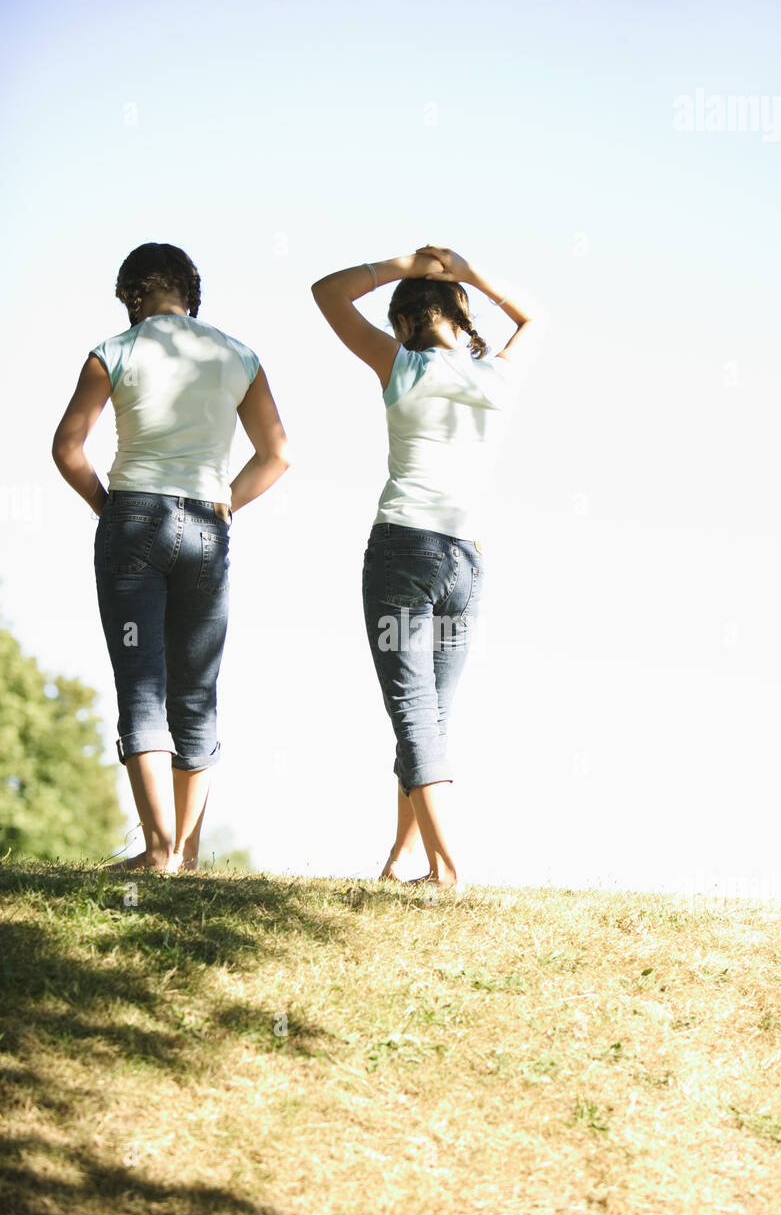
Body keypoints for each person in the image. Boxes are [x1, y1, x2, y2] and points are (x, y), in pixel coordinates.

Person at [52, 242, 290, 871]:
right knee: (195, 691)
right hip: (207, 525)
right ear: (193, 294)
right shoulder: (240, 355)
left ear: (133, 295)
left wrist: (109, 507)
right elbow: (277, 454)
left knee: (141, 683)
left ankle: (156, 851)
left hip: (133, 515)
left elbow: (68, 447)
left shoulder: (113, 352)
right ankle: (184, 852)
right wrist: (224, 504)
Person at [312, 244, 533, 887]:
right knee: (429, 713)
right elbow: (536, 319)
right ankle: (403, 858)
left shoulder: (402, 366)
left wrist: (405, 264)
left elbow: (327, 291)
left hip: (405, 550)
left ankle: (447, 869)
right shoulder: (495, 378)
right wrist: (469, 274)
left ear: (404, 322)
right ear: (462, 324)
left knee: (413, 713)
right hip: (466, 562)